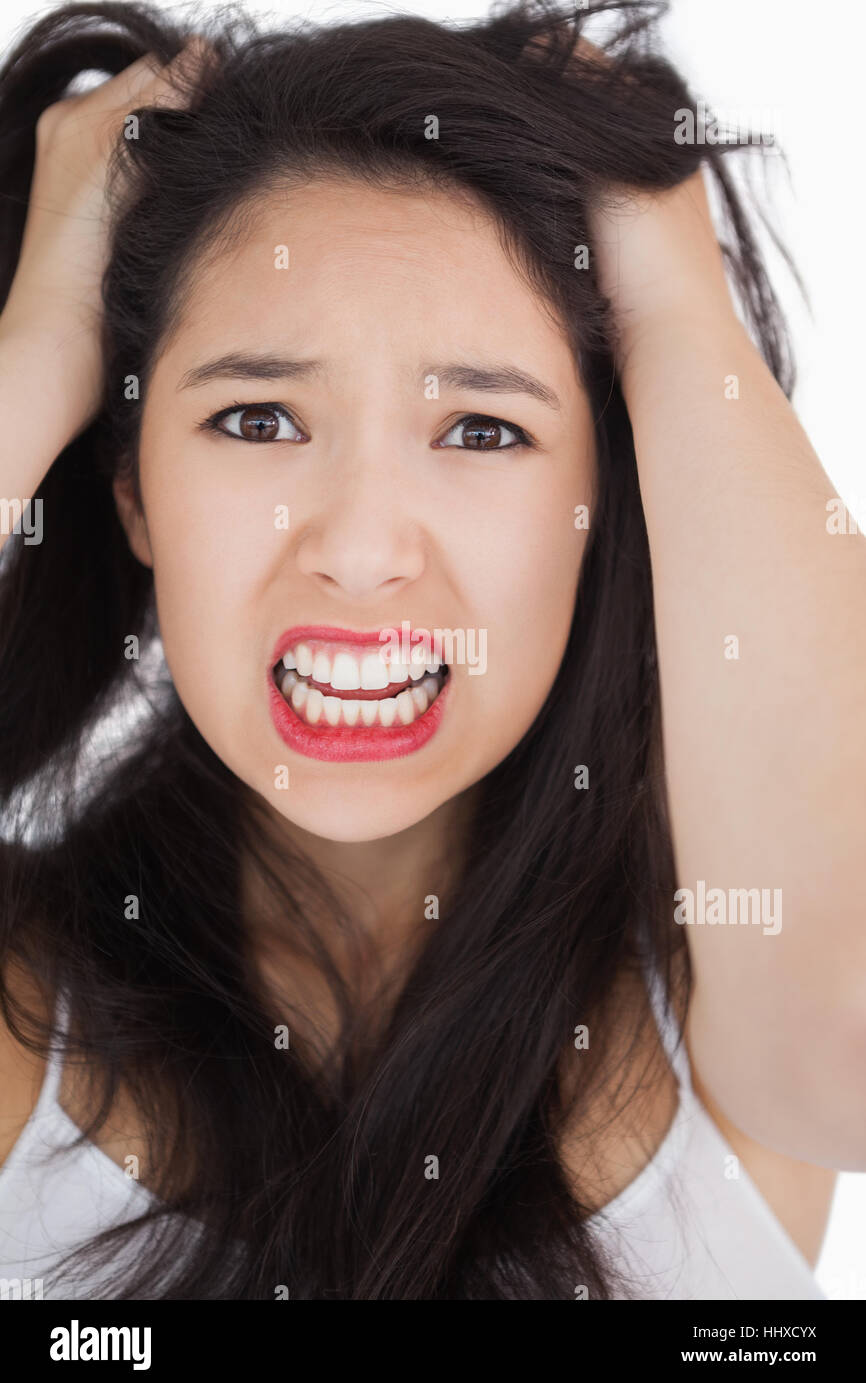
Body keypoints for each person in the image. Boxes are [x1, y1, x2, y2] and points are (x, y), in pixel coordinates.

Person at [0, 0, 861, 1300]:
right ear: (130, 489)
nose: (355, 549)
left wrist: (683, 310)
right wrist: (38, 339)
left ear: (607, 506)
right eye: (255, 417)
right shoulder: (30, 1017)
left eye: (479, 431)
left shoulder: (730, 994)